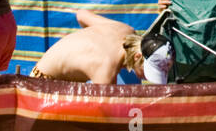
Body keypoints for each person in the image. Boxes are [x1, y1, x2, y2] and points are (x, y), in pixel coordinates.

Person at [30, 9, 172, 84]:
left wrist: (88, 43)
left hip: (48, 69)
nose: (148, 78)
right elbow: (106, 119)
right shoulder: (105, 70)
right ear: (137, 56)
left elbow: (81, 15)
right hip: (41, 83)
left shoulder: (126, 30)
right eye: (149, 71)